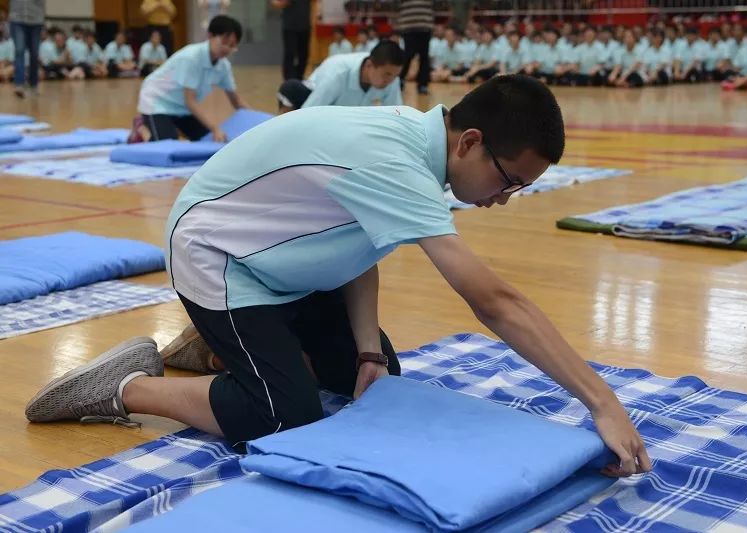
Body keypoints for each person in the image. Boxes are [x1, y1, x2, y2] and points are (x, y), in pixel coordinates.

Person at [25, 75, 652, 481]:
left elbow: (360, 248)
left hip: (289, 270)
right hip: (218, 258)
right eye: (509, 181)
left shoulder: (418, 149)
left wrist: (367, 349)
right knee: (282, 412)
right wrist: (602, 401)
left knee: (378, 377)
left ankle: (218, 347)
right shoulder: (397, 159)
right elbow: (494, 302)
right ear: (469, 141)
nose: (505, 198)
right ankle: (126, 385)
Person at [134, 15, 247, 142]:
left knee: (208, 139)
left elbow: (236, 101)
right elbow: (190, 101)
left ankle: (173, 127)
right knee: (167, 144)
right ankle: (141, 128)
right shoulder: (192, 58)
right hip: (158, 102)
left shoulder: (223, 66)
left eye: (232, 46)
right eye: (224, 43)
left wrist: (257, 121)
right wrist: (214, 128)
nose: (227, 49)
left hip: (182, 109)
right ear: (210, 36)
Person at [277, 40, 404, 111]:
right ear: (369, 65)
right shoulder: (337, 73)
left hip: (351, 119)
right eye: (387, 74)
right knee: (290, 88)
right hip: (318, 105)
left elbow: (396, 115)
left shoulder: (392, 78)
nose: (390, 80)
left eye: (395, 76)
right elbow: (309, 111)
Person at [8, 0, 44, 98]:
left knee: (34, 54)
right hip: (17, 18)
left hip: (36, 20)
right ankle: (19, 84)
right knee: (19, 51)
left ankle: (33, 85)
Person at [396, 0, 434, 95]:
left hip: (424, 26)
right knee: (408, 55)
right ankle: (399, 81)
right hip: (409, 27)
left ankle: (423, 85)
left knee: (424, 57)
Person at [272, 0, 310, 80]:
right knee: (290, 53)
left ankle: (299, 77)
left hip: (305, 25)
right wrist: (282, 3)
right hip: (289, 26)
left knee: (304, 54)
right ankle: (288, 79)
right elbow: (274, 2)